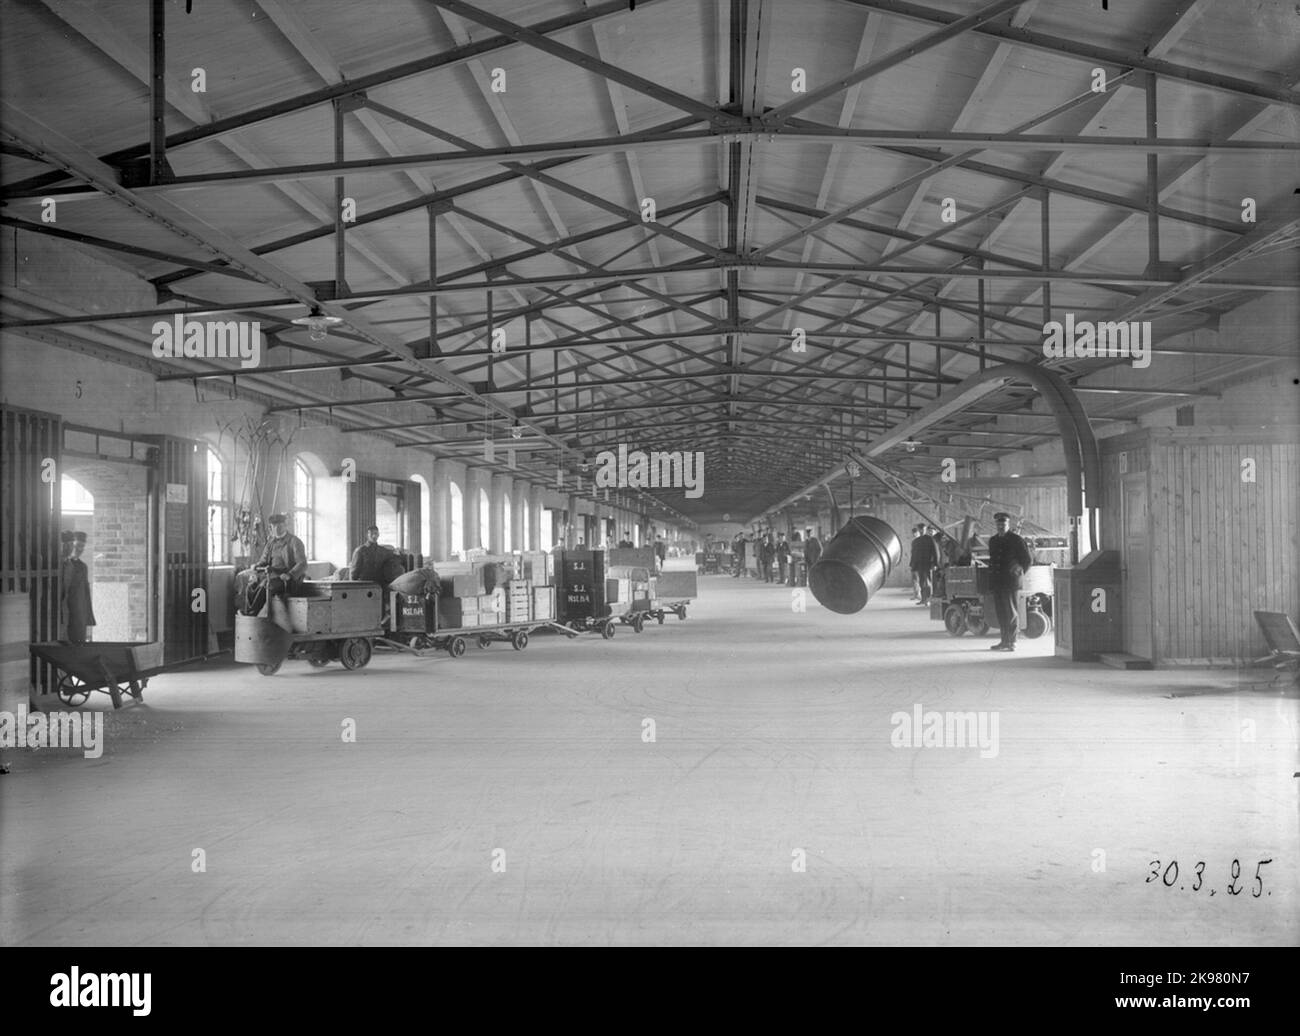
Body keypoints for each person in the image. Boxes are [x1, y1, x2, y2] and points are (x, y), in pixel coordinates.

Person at [985, 512, 1034, 651]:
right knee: (1001, 612)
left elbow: (1028, 560)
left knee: (1011, 612)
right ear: (996, 525)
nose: (1001, 527)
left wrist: (1018, 572)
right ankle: (1003, 641)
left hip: (1010, 582)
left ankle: (1012, 642)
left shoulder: (1016, 540)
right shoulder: (993, 540)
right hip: (997, 582)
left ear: (1008, 525)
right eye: (998, 524)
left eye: (1004, 524)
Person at [244, 513, 308, 615]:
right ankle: (249, 614)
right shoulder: (271, 542)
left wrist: (290, 575)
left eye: (280, 525)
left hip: (286, 578)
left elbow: (302, 563)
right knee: (251, 586)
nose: (277, 528)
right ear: (271, 528)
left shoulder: (294, 542)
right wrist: (257, 565)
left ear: (285, 526)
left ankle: (253, 614)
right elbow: (264, 560)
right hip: (270, 574)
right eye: (274, 526)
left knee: (266, 586)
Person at [62, 531, 96, 644]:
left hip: (79, 613)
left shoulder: (82, 567)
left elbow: (85, 594)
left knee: (79, 644)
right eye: (77, 545)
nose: (80, 549)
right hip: (66, 611)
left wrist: (88, 617)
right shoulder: (63, 565)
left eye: (82, 546)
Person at [909, 524, 939, 606]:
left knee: (927, 582)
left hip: (927, 564)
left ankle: (928, 600)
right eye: (920, 529)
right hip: (919, 564)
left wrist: (935, 563)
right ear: (918, 530)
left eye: (923, 529)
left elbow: (935, 552)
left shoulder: (930, 539)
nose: (922, 531)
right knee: (922, 582)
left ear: (925, 529)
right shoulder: (915, 541)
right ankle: (923, 599)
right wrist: (912, 564)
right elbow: (913, 554)